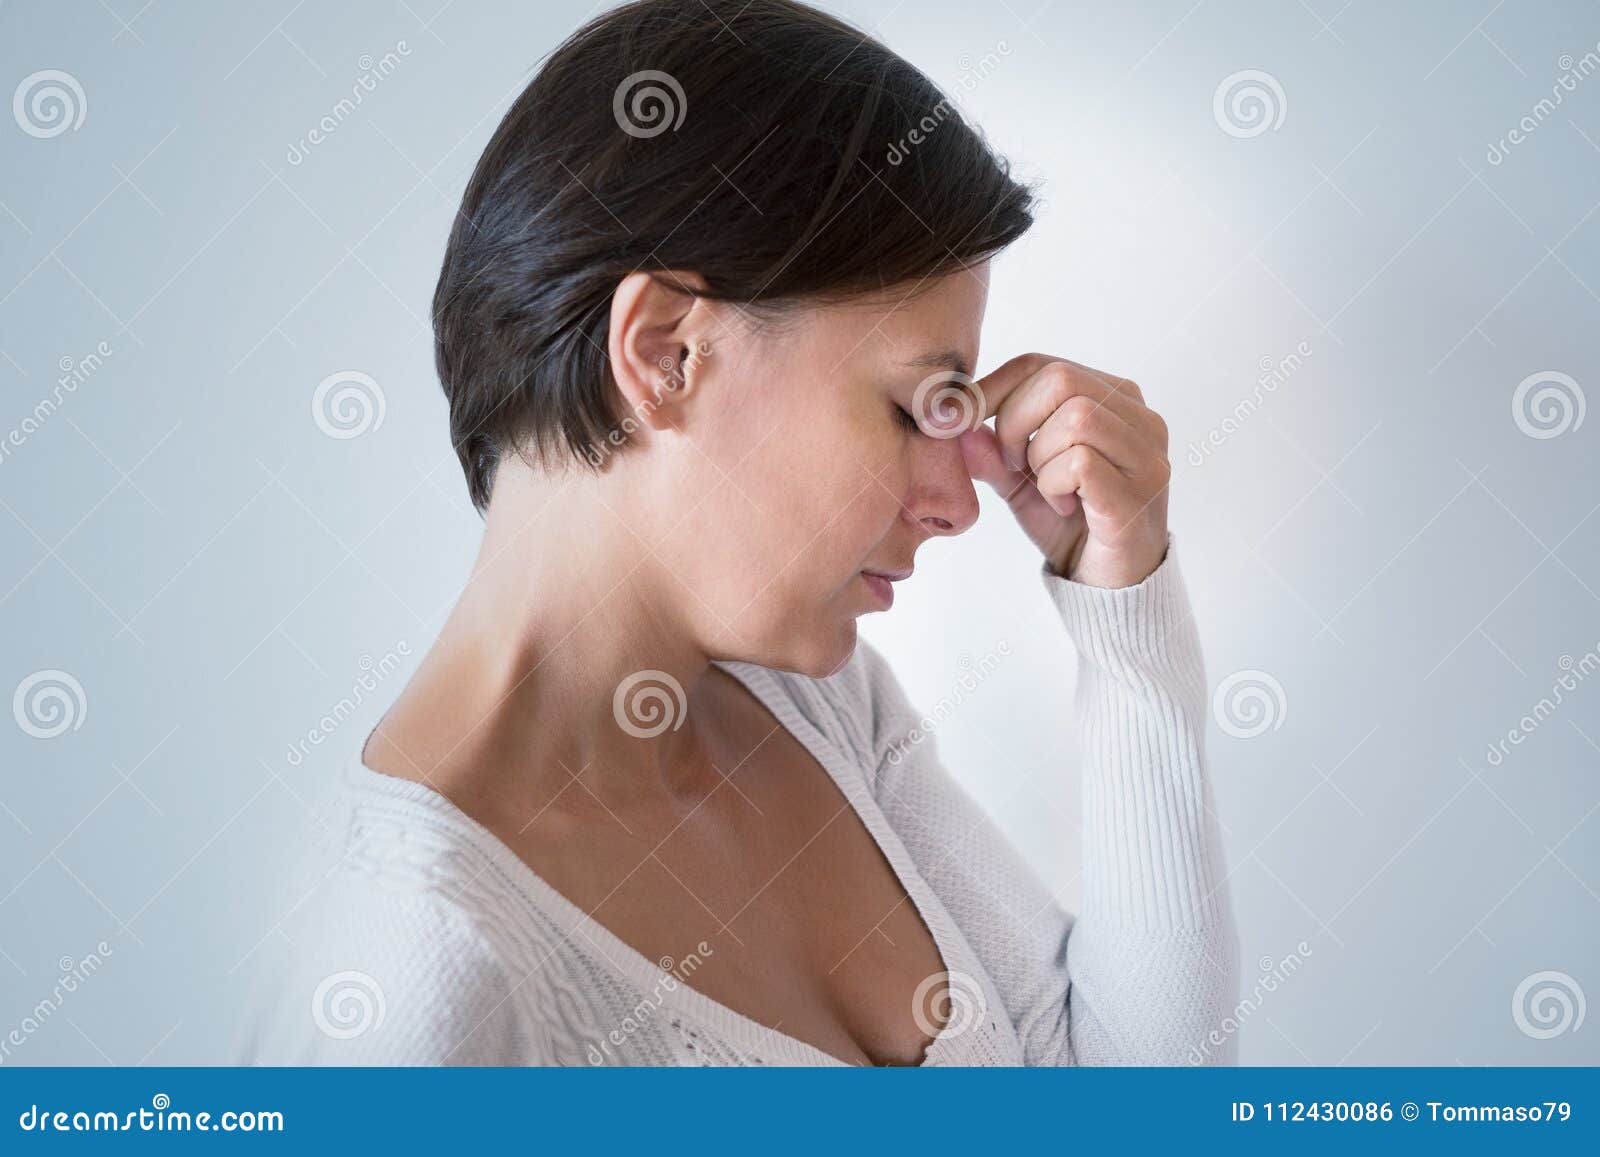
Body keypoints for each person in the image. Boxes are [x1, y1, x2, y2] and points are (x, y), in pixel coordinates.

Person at [239, 0, 1238, 1067]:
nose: (959, 501)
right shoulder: (407, 980)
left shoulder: (818, 706)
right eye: (913, 408)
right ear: (666, 352)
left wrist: (1124, 610)